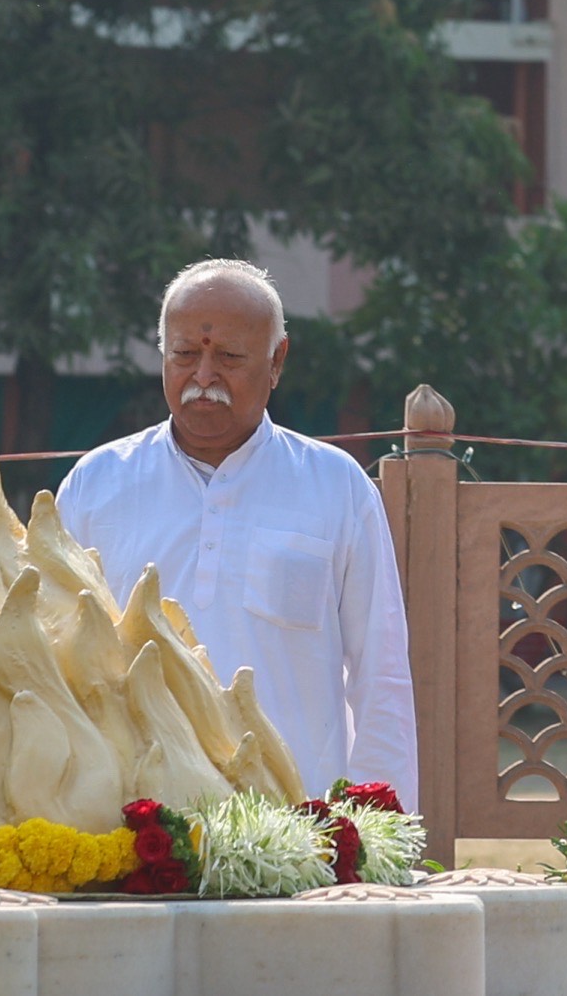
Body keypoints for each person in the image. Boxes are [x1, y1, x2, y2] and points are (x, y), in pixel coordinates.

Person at [57, 259, 416, 805]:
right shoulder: (97, 483)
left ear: (277, 362)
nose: (203, 377)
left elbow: (381, 675)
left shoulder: (336, 486)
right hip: (132, 821)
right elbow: (54, 657)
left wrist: (380, 830)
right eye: (184, 354)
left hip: (295, 827)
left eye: (228, 357)